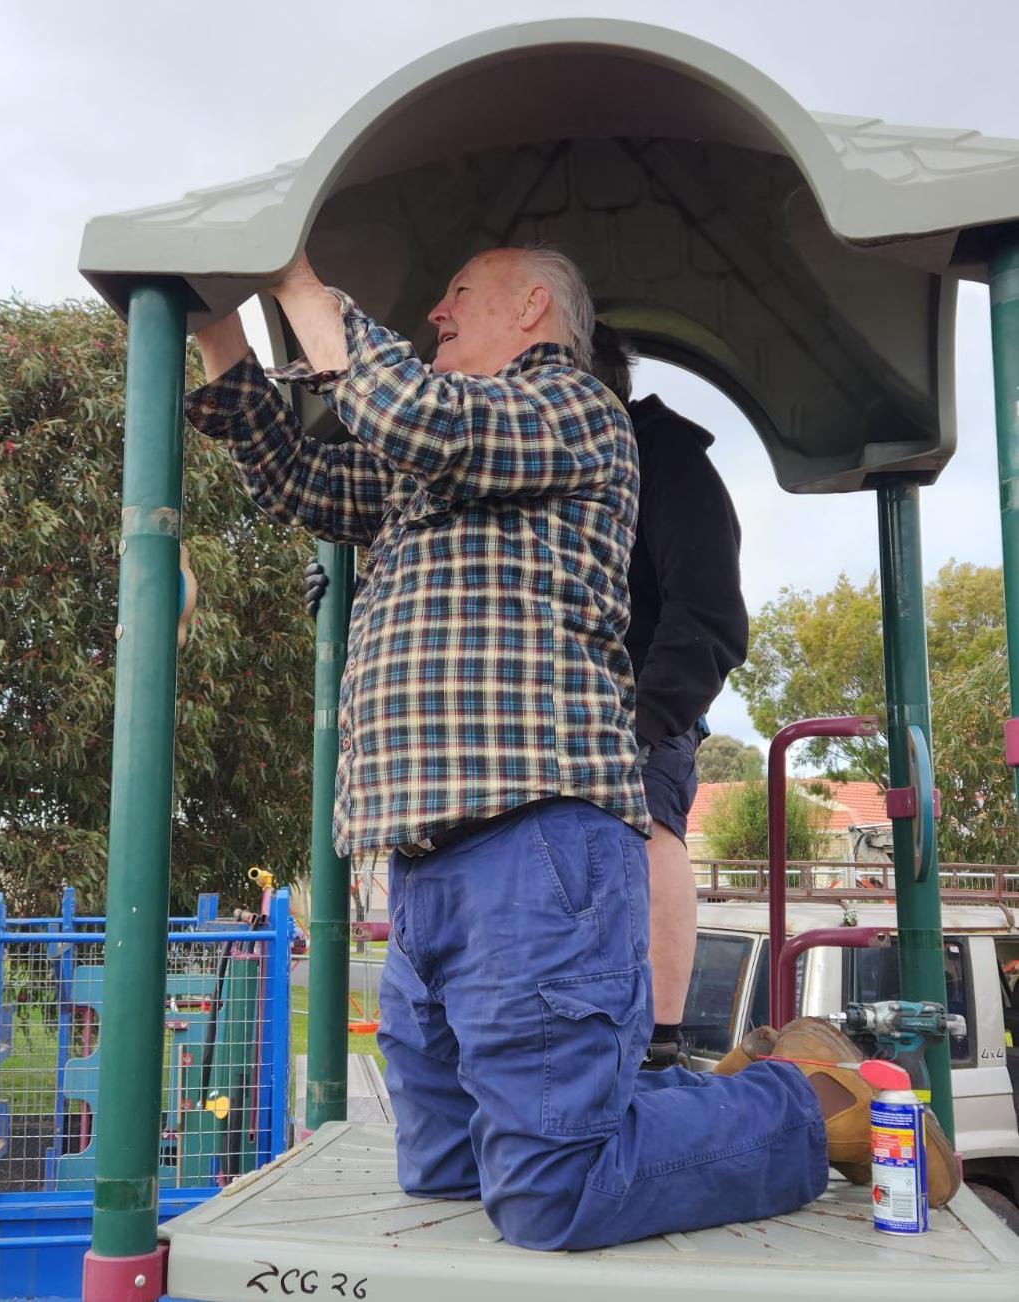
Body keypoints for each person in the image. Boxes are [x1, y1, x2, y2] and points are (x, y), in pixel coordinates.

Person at [186, 247, 957, 1250]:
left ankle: (808, 1104)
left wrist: (295, 280)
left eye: (457, 293)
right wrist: (215, 327)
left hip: (534, 839)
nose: (433, 309)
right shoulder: (432, 467)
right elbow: (305, 484)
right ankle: (704, 1107)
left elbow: (415, 414)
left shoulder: (571, 409)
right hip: (426, 857)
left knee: (556, 1190)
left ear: (533, 305)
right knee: (446, 1168)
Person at [590, 324, 748, 1071]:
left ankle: (658, 1035)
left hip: (636, 708)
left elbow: (707, 607)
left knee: (650, 828)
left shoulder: (661, 456)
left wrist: (648, 721)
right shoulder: (511, 474)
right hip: (540, 722)